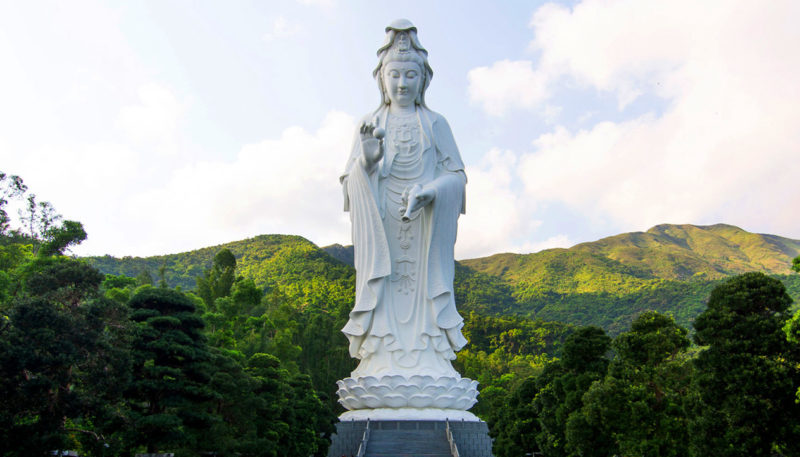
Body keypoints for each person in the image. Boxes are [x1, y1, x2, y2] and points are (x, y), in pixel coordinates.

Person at [340, 19, 468, 380]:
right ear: (382, 78)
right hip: (384, 230)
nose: (401, 83)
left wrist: (431, 191)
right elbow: (351, 182)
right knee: (386, 286)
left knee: (423, 293)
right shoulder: (369, 122)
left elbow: (456, 176)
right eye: (394, 74)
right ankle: (380, 360)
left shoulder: (435, 123)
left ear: (423, 80)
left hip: (425, 233)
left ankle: (431, 361)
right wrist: (366, 162)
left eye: (410, 75)